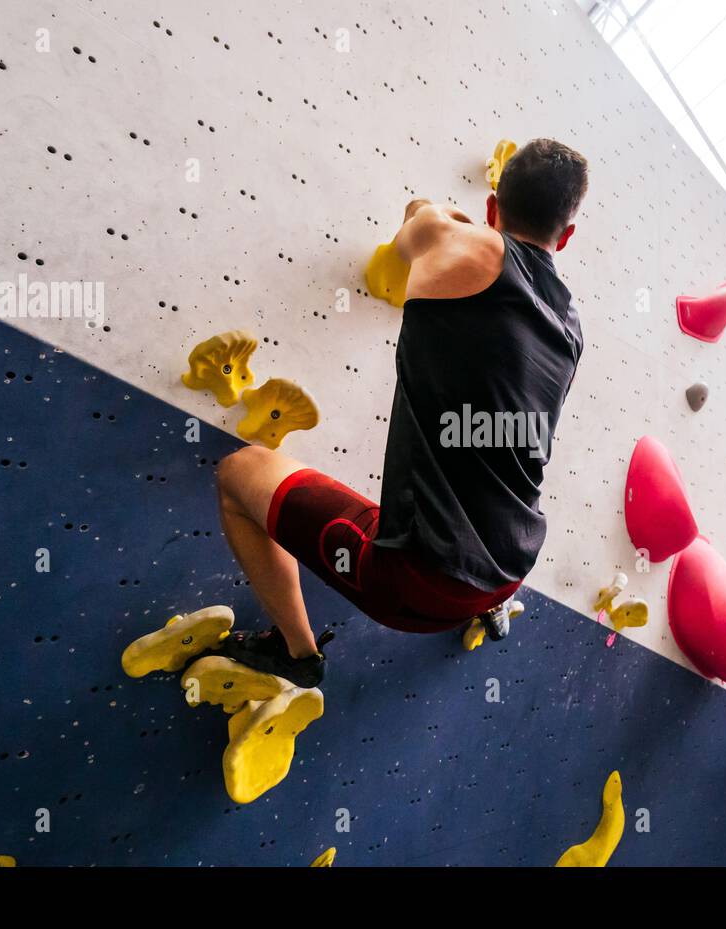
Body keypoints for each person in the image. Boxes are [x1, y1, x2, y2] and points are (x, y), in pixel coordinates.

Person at [124, 138, 588, 690]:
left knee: (238, 474)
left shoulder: (456, 244)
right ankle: (484, 605)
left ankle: (295, 655)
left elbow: (413, 222)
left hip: (417, 583)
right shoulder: (571, 328)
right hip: (514, 564)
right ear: (566, 235)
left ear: (492, 207)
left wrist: (447, 218)